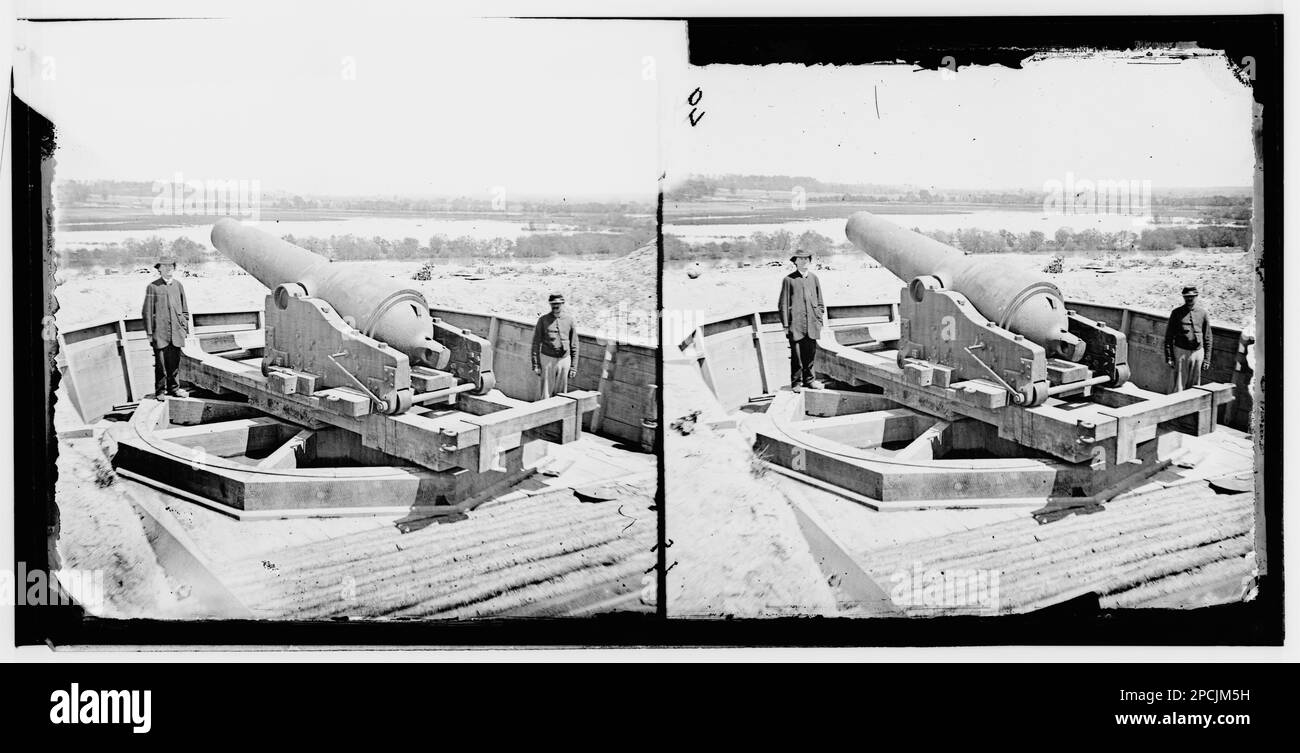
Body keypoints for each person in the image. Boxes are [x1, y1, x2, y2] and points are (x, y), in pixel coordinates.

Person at [141, 253, 191, 398]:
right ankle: (160, 391)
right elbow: (147, 312)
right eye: (165, 266)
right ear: (159, 269)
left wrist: (184, 327)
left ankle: (174, 389)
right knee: (161, 365)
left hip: (176, 332)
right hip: (160, 333)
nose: (168, 269)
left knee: (174, 363)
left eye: (171, 266)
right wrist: (150, 333)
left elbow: (185, 309)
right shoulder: (153, 287)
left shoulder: (178, 285)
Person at [777, 249, 826, 392]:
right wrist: (786, 324)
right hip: (795, 325)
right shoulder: (788, 280)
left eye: (806, 259)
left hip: (812, 324)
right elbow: (783, 304)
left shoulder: (814, 278)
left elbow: (820, 301)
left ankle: (810, 380)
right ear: (795, 262)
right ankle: (796, 383)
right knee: (796, 356)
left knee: (810, 355)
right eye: (801, 259)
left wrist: (819, 318)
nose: (804, 261)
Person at [1164, 285, 1213, 391]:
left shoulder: (1202, 313)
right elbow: (1169, 336)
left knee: (1195, 386)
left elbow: (1208, 337)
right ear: (1183, 297)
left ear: (1197, 296)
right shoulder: (1176, 313)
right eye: (1186, 296)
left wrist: (1207, 360)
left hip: (1198, 353)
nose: (1189, 299)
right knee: (1178, 385)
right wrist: (1169, 357)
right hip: (1181, 353)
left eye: (1192, 296)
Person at [531, 293, 579, 399]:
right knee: (545, 393)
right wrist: (536, 365)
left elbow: (574, 344)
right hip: (547, 360)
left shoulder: (569, 320)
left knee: (561, 394)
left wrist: (573, 367)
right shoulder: (543, 320)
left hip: (564, 359)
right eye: (553, 304)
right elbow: (536, 343)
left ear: (563, 304)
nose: (555, 306)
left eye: (558, 304)